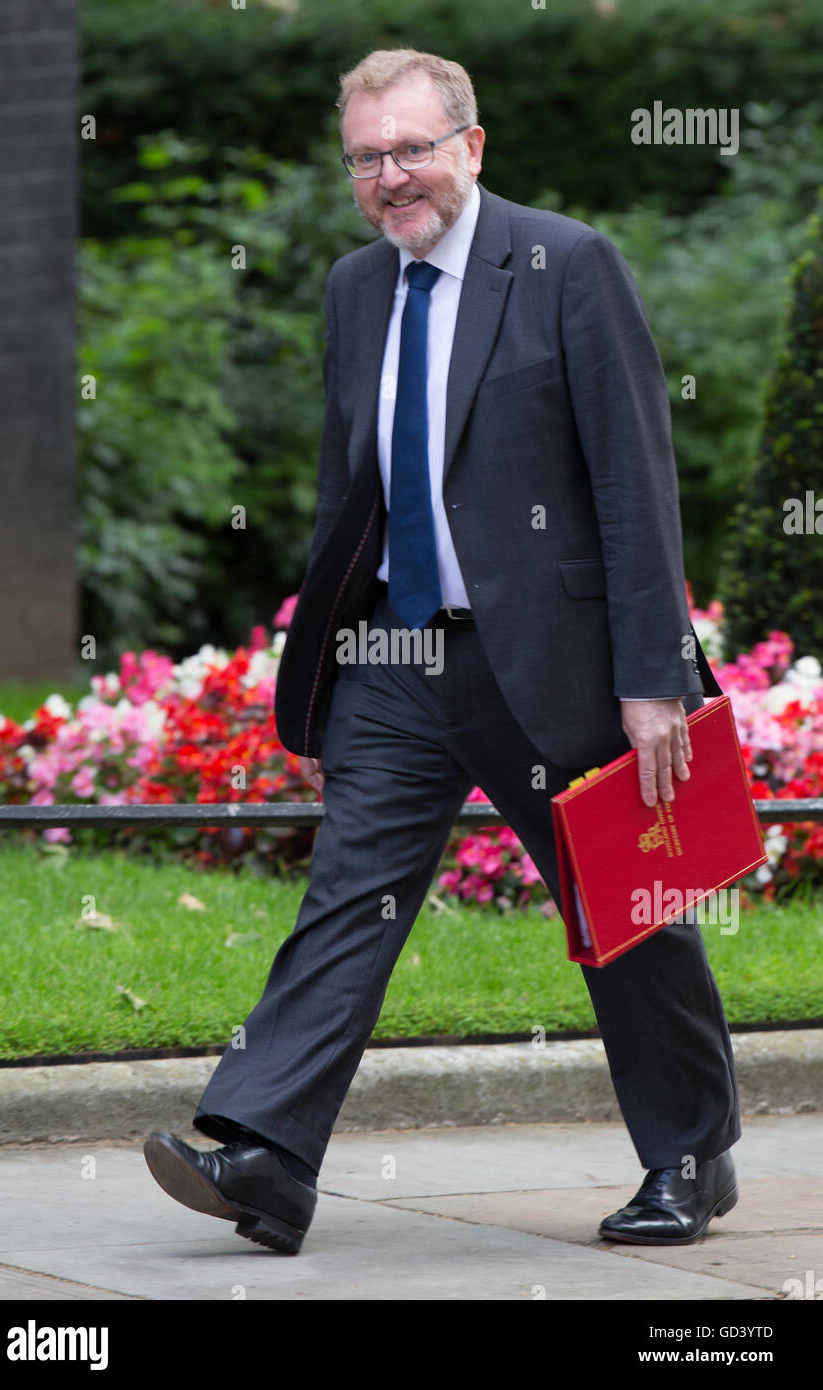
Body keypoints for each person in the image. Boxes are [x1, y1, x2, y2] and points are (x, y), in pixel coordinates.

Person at [144, 48, 740, 1256]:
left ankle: (687, 1154)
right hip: (394, 658)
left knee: (625, 908)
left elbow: (635, 482)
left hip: (561, 660)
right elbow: (342, 494)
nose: (389, 176)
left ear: (470, 146)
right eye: (366, 156)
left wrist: (651, 677)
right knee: (344, 896)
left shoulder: (566, 264)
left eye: (412, 148)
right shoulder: (355, 286)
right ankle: (267, 1155)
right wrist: (316, 680)